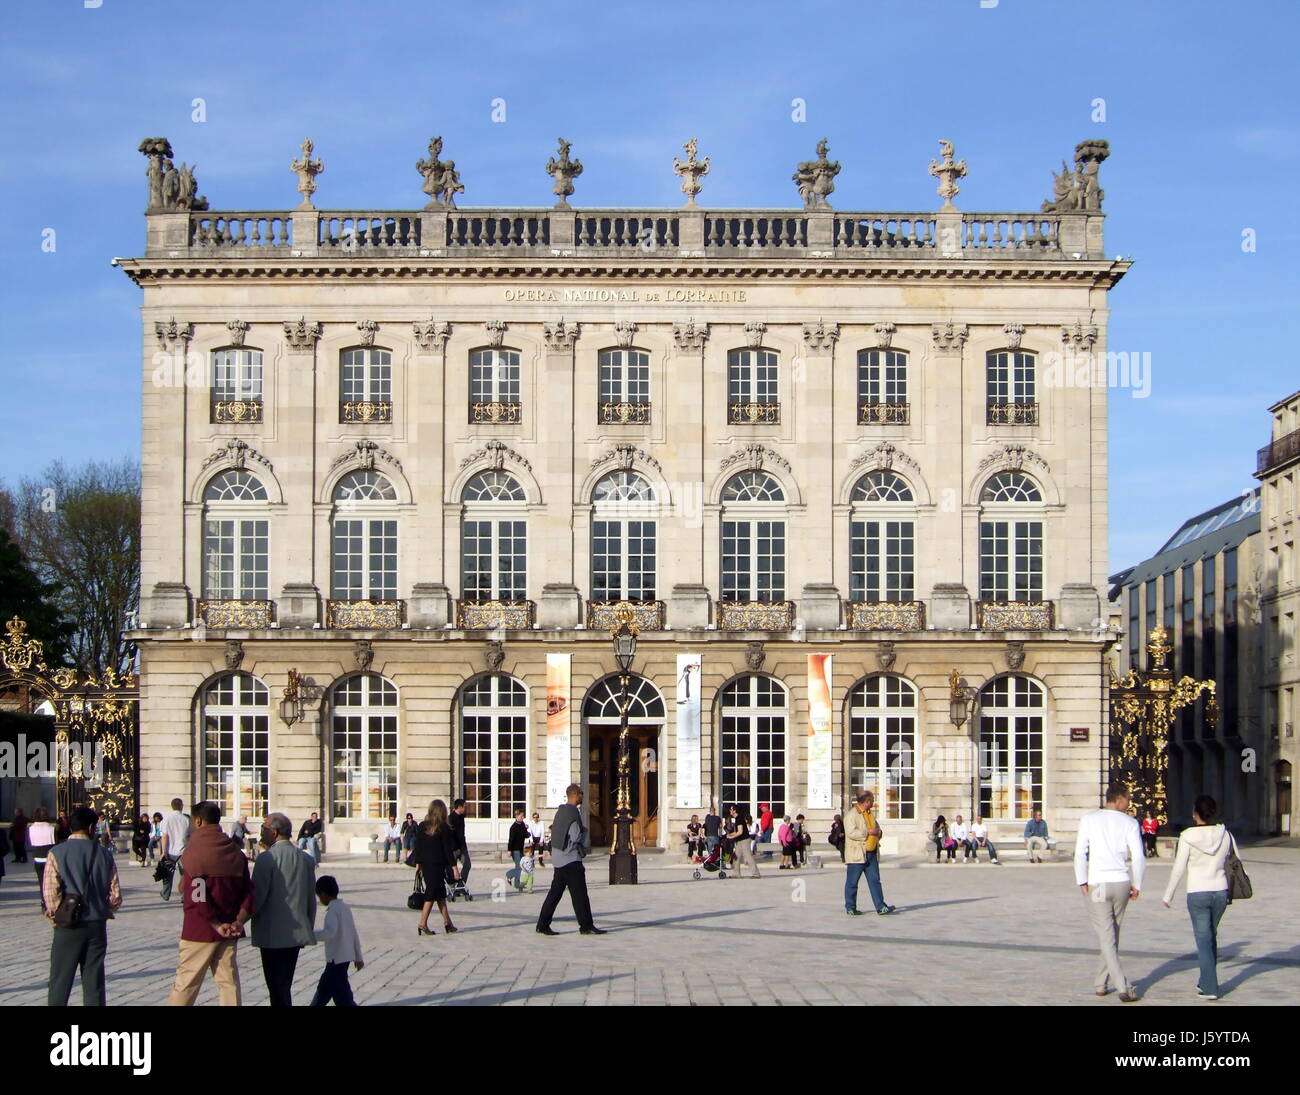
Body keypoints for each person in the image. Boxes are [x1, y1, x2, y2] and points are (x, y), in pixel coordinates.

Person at [167, 800, 253, 1006]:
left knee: (187, 983)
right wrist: (239, 920)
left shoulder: (196, 850)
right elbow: (249, 891)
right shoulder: (234, 851)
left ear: (197, 821)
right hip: (230, 927)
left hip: (199, 930)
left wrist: (214, 923)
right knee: (228, 984)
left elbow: (197, 892)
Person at [43, 805, 122, 1006]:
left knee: (60, 980)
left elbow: (50, 893)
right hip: (96, 924)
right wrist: (103, 909)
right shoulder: (104, 854)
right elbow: (115, 896)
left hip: (68, 925)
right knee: (94, 980)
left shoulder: (56, 852)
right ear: (90, 828)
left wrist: (55, 917)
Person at [1074, 785, 1145, 1002]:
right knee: (1112, 934)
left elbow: (1080, 853)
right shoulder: (1130, 823)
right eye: (1128, 799)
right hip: (1121, 882)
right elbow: (1139, 856)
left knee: (1107, 936)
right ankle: (1100, 982)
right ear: (1119, 799)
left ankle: (1122, 986)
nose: (1129, 803)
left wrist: (1082, 880)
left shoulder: (1089, 819)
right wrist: (1138, 883)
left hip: (1098, 882)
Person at [1162, 795, 1235, 1000]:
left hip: (1197, 892)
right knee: (1210, 935)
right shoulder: (1225, 834)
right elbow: (1236, 860)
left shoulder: (1187, 836)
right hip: (1220, 891)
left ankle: (1210, 987)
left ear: (1195, 813)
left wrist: (1168, 894)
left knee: (1203, 940)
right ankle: (1205, 979)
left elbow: (1179, 868)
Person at [249, 812, 317, 1006]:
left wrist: (238, 920)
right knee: (284, 984)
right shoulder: (305, 859)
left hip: (271, 934)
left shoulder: (266, 859)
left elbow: (257, 897)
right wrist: (308, 927)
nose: (261, 831)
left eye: (264, 828)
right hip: (295, 934)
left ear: (274, 831)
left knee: (276, 988)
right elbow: (309, 899)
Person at [536, 783, 603, 935]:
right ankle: (586, 926)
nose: (582, 796)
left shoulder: (560, 811)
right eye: (581, 793)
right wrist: (583, 835)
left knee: (554, 895)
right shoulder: (573, 813)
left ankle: (542, 924)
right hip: (571, 860)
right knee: (580, 895)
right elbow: (574, 836)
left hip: (559, 859)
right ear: (575, 795)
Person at [311, 875, 363, 1006]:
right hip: (345, 957)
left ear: (323, 894)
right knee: (326, 989)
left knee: (342, 997)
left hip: (335, 959)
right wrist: (358, 957)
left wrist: (310, 936)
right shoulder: (345, 908)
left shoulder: (332, 911)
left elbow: (330, 932)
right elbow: (353, 933)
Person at [412, 799, 461, 935]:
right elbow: (447, 850)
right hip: (437, 865)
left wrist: (418, 864)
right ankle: (422, 923)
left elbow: (418, 846)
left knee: (440, 895)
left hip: (426, 865)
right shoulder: (443, 827)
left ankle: (448, 923)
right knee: (432, 893)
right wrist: (454, 868)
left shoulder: (422, 826)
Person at [844, 790, 895, 916]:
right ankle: (850, 907)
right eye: (872, 800)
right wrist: (868, 832)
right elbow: (851, 833)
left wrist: (879, 832)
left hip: (871, 854)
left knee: (875, 880)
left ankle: (881, 906)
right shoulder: (851, 815)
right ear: (867, 802)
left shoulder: (869, 813)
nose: (873, 802)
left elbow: (876, 827)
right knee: (852, 882)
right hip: (858, 854)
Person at [160, 797, 191, 901]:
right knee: (184, 874)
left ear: (171, 806)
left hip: (170, 850)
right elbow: (189, 836)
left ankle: (166, 893)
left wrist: (163, 851)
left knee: (168, 873)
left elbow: (165, 836)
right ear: (181, 806)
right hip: (183, 849)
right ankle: (184, 894)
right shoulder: (186, 819)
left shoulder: (166, 819)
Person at [28, 807, 57, 909]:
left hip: (37, 856)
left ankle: (43, 901)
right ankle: (51, 900)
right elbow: (56, 843)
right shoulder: (52, 828)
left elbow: (30, 843)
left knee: (41, 881)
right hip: (49, 856)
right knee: (51, 881)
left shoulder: (31, 828)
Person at [726, 807, 761, 879]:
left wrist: (731, 837)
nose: (730, 811)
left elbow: (740, 832)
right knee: (736, 857)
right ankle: (736, 874)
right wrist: (729, 834)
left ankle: (756, 874)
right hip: (739, 841)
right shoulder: (737, 819)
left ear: (735, 811)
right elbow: (737, 831)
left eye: (731, 809)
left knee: (748, 856)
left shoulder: (739, 818)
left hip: (744, 840)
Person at [449, 799, 471, 889]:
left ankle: (460, 886)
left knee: (467, 864)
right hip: (454, 848)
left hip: (462, 846)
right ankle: (451, 888)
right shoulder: (450, 818)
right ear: (459, 807)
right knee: (452, 868)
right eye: (464, 807)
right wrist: (455, 848)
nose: (465, 809)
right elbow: (451, 835)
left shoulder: (461, 817)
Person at [506, 808, 529, 889]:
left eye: (523, 816)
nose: (523, 817)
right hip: (515, 849)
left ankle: (517, 883)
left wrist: (527, 830)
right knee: (519, 867)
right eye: (521, 816)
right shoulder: (513, 827)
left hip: (520, 848)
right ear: (517, 816)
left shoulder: (522, 824)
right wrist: (509, 850)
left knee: (522, 866)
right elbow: (511, 840)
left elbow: (526, 835)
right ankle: (509, 874)